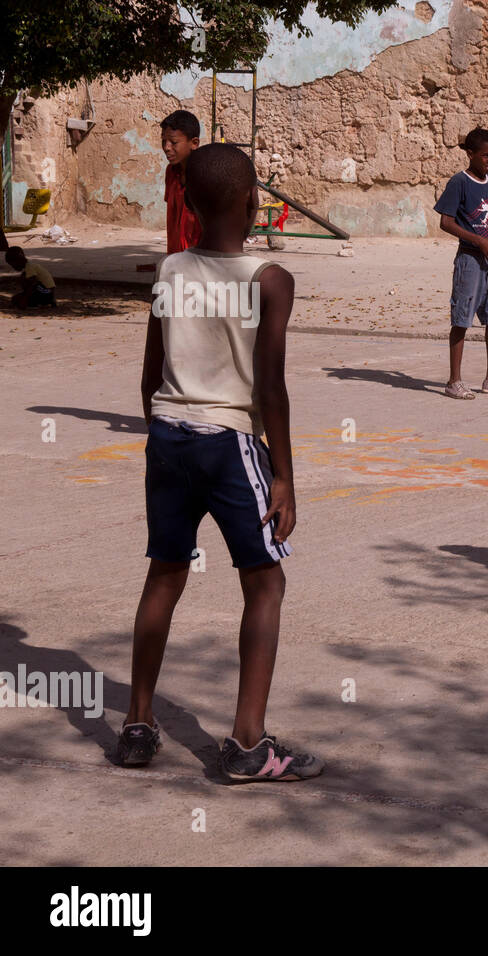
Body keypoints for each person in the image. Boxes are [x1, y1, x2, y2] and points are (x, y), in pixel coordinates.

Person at [122, 141, 323, 781]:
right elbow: (271, 387)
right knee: (265, 582)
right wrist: (285, 475)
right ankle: (247, 744)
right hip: (228, 440)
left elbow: (150, 375)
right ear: (251, 200)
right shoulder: (270, 280)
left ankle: (137, 723)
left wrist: (163, 436)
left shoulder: (169, 270)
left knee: (165, 575)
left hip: (169, 437)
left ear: (189, 201)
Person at [433, 127, 488, 399]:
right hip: (470, 262)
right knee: (462, 319)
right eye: (485, 155)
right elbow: (445, 222)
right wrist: (478, 241)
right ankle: (454, 381)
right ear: (470, 154)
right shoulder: (458, 183)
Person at [161, 110, 203, 255]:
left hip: (199, 260)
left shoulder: (205, 176)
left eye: (173, 142)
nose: (166, 148)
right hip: (175, 257)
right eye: (164, 141)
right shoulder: (171, 172)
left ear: (194, 143)